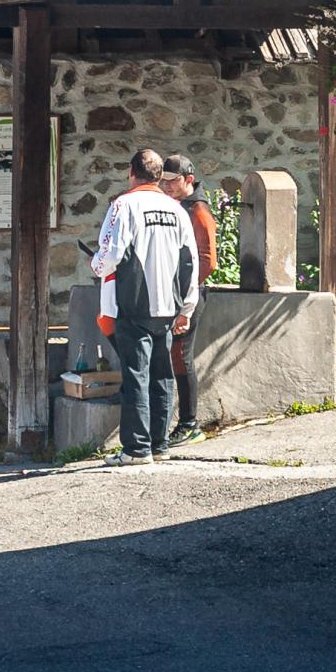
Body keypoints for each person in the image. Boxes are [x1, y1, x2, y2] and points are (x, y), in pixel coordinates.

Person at [92, 148, 198, 468]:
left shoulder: (123, 205)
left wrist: (96, 265)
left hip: (133, 301)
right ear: (159, 175)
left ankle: (137, 449)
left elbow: (110, 253)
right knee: (162, 375)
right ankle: (159, 444)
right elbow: (190, 260)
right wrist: (187, 307)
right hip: (169, 303)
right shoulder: (176, 209)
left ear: (130, 171)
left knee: (136, 375)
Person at [160, 154, 218, 445]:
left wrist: (185, 293)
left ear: (189, 180)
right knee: (175, 358)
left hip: (190, 296)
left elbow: (208, 261)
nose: (167, 186)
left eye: (173, 181)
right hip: (177, 294)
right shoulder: (180, 207)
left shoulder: (198, 211)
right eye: (163, 181)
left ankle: (189, 424)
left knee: (181, 358)